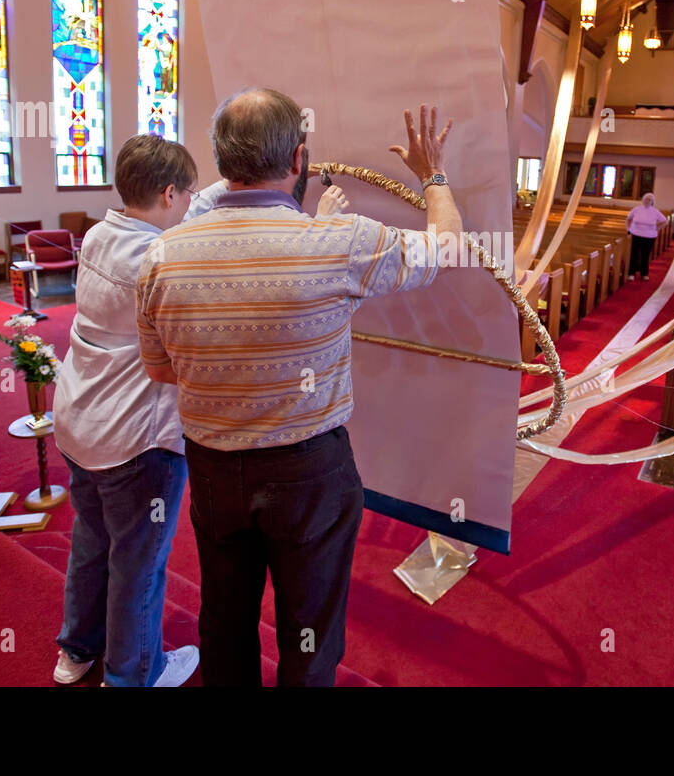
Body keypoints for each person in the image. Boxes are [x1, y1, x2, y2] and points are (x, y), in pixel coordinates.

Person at [136, 89, 458, 686]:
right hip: (308, 470)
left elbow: (160, 370)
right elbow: (446, 249)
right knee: (309, 631)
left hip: (212, 465)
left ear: (221, 161)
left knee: (225, 619)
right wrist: (433, 175)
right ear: (299, 158)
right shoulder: (338, 242)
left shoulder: (161, 255)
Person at [51, 134, 202, 688]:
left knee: (92, 541)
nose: (191, 203)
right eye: (186, 195)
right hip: (133, 440)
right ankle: (134, 673)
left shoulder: (98, 233)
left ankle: (76, 651)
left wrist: (209, 198)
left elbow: (185, 216)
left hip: (79, 422)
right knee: (138, 562)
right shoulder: (160, 258)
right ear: (167, 194)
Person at [626, 192, 666, 281]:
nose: (647, 201)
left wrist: (657, 228)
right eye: (645, 199)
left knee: (645, 255)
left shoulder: (655, 211)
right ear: (643, 200)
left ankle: (644, 274)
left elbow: (664, 221)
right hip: (636, 235)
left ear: (652, 202)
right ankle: (631, 273)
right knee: (634, 255)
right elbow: (628, 219)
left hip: (649, 237)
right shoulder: (636, 209)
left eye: (649, 200)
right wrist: (628, 230)